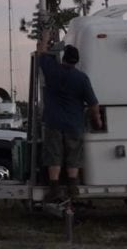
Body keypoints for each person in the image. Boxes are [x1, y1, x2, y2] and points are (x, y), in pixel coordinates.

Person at [39, 44, 101, 201]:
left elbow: (41, 52)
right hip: (74, 123)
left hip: (53, 122)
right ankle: (72, 187)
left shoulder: (52, 70)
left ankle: (54, 189)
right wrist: (98, 120)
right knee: (74, 155)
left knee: (54, 154)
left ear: (64, 57)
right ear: (76, 60)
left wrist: (45, 35)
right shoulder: (81, 78)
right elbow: (93, 104)